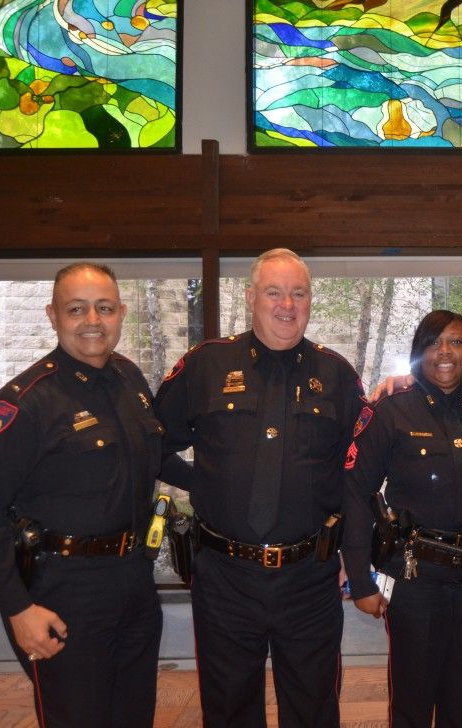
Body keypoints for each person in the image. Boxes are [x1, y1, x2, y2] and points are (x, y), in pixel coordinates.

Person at [153, 248, 365, 728]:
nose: (286, 304)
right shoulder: (207, 365)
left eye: (298, 293)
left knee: (314, 709)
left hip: (310, 578)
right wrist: (202, 481)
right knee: (228, 709)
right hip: (226, 576)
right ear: (251, 297)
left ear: (310, 300)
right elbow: (152, 444)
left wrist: (354, 556)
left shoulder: (336, 374)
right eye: (274, 292)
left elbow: (360, 469)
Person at [0, 263, 167, 727]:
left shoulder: (129, 379)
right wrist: (17, 608)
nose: (92, 320)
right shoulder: (22, 404)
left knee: (133, 717)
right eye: (77, 308)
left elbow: (155, 457)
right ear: (53, 315)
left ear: (121, 313)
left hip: (133, 582)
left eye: (104, 307)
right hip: (63, 593)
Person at [343, 309, 462, 727]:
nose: (445, 352)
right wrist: (361, 581)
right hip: (417, 580)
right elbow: (356, 494)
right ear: (419, 352)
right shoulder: (390, 411)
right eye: (434, 343)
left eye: (456, 342)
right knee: (412, 702)